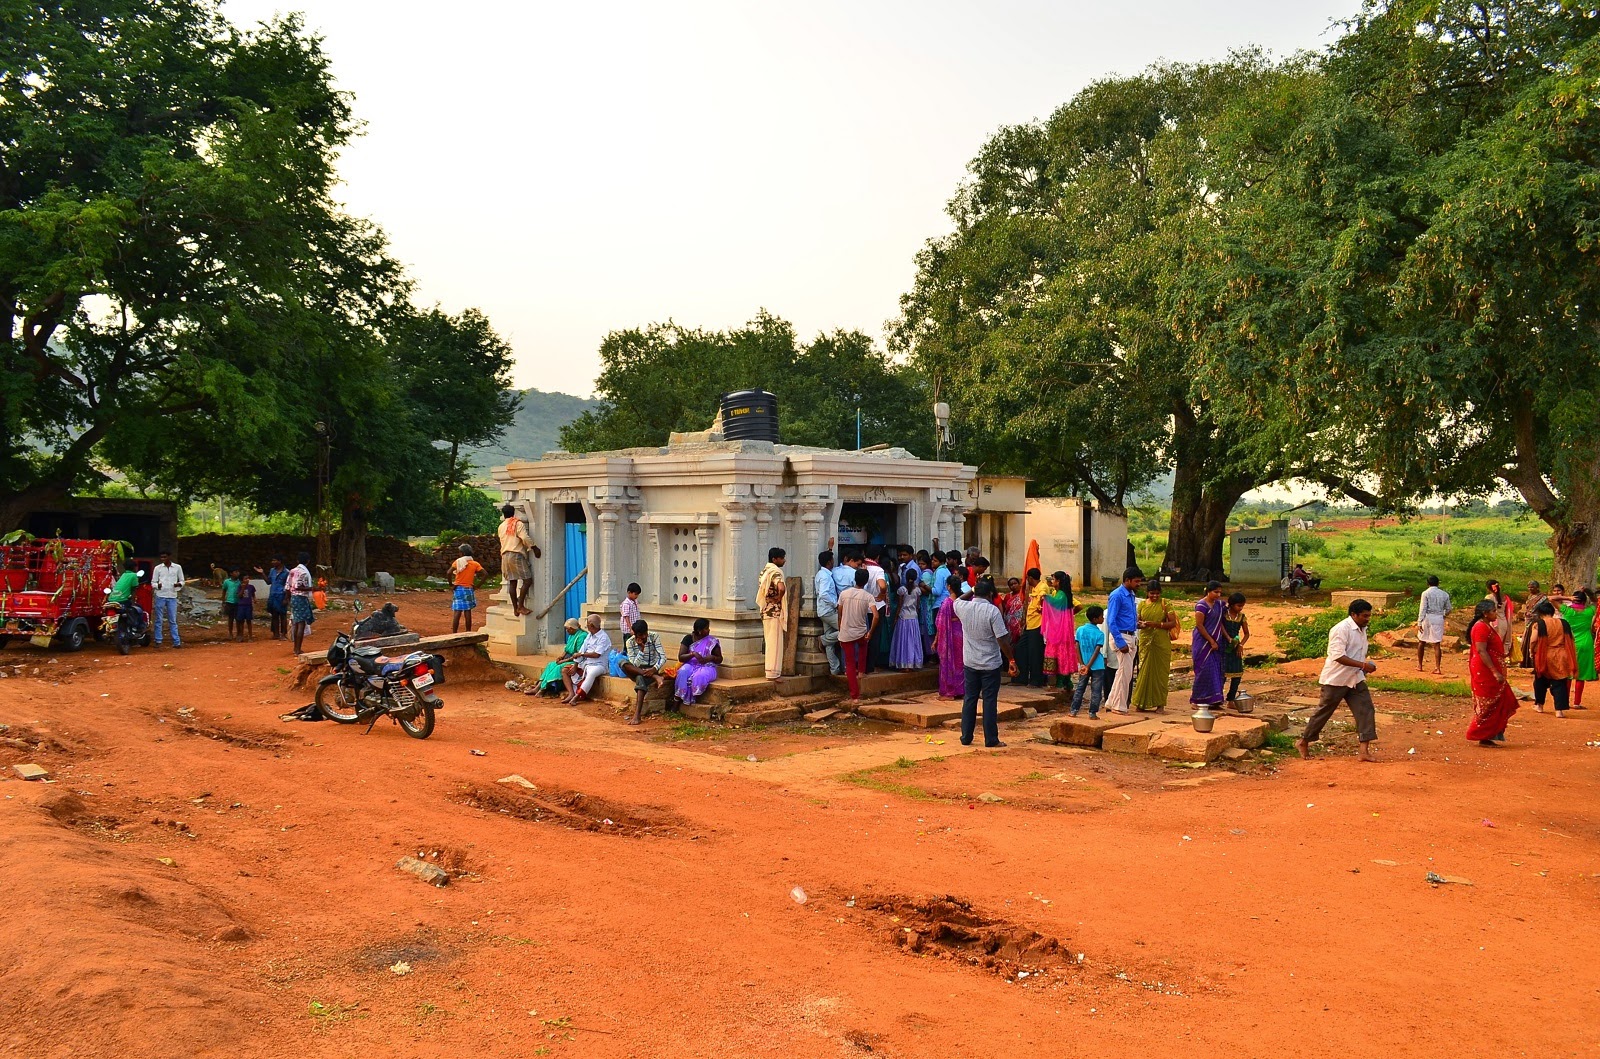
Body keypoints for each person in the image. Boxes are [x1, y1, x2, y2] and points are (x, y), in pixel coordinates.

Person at [1298, 599, 1379, 761]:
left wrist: (1363, 667)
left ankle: (1364, 751)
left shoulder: (1362, 629)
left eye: (1369, 616)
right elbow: (1337, 656)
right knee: (1324, 712)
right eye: (1364, 616)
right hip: (1336, 679)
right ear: (1353, 614)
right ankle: (1304, 741)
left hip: (1355, 678)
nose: (1367, 619)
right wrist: (1363, 665)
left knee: (1366, 709)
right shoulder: (1341, 629)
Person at [953, 579, 1015, 748]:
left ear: (975, 593)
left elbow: (957, 600)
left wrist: (972, 590)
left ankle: (966, 737)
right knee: (989, 701)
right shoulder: (992, 611)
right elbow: (1001, 638)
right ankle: (991, 739)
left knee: (970, 699)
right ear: (990, 594)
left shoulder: (963, 607)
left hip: (970, 662)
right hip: (990, 663)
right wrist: (1011, 659)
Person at [1465, 598, 1519, 745]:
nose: (1496, 614)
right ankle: (1481, 734)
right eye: (1494, 611)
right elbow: (1481, 651)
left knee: (1502, 699)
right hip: (1485, 671)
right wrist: (1494, 672)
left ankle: (1491, 733)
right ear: (1485, 613)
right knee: (1488, 702)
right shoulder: (1481, 628)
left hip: (1489, 669)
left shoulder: (1486, 626)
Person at [1131, 581, 1178, 712]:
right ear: (1147, 593)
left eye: (1157, 593)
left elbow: (1173, 623)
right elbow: (1137, 622)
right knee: (1144, 672)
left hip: (1161, 642)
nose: (1155, 596)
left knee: (1161, 673)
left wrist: (1157, 624)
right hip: (1146, 642)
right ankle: (1141, 703)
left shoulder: (1165, 603)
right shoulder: (1141, 605)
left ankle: (1160, 704)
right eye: (1152, 593)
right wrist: (1141, 624)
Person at [1102, 566, 1143, 714]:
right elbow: (1111, 620)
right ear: (1127, 580)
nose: (1139, 584)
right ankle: (1118, 706)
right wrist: (1120, 642)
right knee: (1125, 674)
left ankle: (1111, 701)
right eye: (1136, 581)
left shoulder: (1130, 594)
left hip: (1130, 635)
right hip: (1121, 636)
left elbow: (1125, 617)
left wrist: (1137, 625)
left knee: (1123, 672)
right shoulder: (1117, 595)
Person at [1527, 599, 1576, 718]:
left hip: (1544, 654)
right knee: (1560, 682)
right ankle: (1559, 710)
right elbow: (1571, 639)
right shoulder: (1563, 623)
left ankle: (1539, 705)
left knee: (1540, 680)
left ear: (1540, 613)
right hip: (1561, 654)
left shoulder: (1539, 624)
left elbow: (1533, 640)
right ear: (1552, 612)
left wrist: (1531, 651)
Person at [836, 567, 878, 700]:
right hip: (861, 632)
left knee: (849, 664)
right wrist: (870, 632)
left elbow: (839, 613)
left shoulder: (844, 594)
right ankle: (861, 672)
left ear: (855, 579)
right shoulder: (868, 596)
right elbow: (876, 616)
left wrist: (840, 628)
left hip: (846, 632)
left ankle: (855, 696)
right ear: (866, 582)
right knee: (863, 649)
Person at [621, 619, 667, 725]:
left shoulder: (654, 636)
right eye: (641, 635)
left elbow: (663, 657)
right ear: (635, 635)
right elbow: (634, 664)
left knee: (640, 679)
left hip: (652, 668)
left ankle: (637, 715)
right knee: (622, 663)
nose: (644, 637)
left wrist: (654, 669)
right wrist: (641, 649)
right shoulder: (630, 642)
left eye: (645, 633)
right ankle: (655, 677)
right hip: (637, 669)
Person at [1190, 581, 1227, 710]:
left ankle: (1214, 699)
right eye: (1216, 592)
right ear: (1208, 591)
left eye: (1220, 592)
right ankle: (1197, 699)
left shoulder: (1219, 605)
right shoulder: (1201, 606)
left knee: (1216, 671)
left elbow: (1221, 621)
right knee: (1203, 671)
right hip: (1203, 643)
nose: (1218, 595)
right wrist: (1211, 641)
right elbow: (1200, 625)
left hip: (1217, 641)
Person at [1557, 588, 1597, 708]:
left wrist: (1567, 597)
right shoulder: (1589, 611)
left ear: (1573, 600)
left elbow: (1550, 599)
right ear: (1584, 602)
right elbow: (1595, 601)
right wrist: (1587, 590)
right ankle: (1577, 703)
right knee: (1581, 675)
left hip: (1569, 643)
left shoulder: (1567, 611)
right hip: (1585, 644)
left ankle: (1565, 701)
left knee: (1569, 674)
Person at [498, 504, 540, 617]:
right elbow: (524, 537)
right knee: (527, 580)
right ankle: (520, 606)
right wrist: (534, 547)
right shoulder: (518, 524)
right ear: (514, 512)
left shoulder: (501, 526)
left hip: (505, 555)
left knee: (513, 582)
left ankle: (515, 608)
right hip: (516, 554)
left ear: (503, 514)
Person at [561, 614, 612, 704]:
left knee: (591, 674)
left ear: (591, 625)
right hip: (585, 663)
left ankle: (577, 696)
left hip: (599, 665)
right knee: (565, 670)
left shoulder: (603, 637)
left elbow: (596, 654)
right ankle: (571, 693)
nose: (586, 626)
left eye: (587, 624)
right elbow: (581, 650)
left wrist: (582, 654)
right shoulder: (589, 636)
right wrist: (575, 665)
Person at [1040, 571, 1077, 693]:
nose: (1052, 581)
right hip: (1064, 627)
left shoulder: (1061, 595)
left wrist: (1045, 597)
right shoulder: (1064, 594)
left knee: (1060, 654)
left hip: (1060, 630)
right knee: (1063, 653)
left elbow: (1054, 604)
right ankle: (1067, 683)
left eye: (1053, 579)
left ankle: (1060, 683)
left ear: (1058, 581)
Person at [675, 618, 723, 706]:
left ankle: (693, 698)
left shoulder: (712, 641)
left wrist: (712, 657)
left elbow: (720, 659)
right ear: (699, 631)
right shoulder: (688, 639)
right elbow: (681, 657)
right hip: (690, 664)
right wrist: (693, 654)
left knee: (699, 676)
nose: (709, 630)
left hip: (707, 666)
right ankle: (677, 700)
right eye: (706, 628)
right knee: (683, 672)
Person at [1070, 604, 1107, 717]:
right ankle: (1092, 713)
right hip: (1097, 666)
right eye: (1101, 616)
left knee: (1080, 688)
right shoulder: (1099, 634)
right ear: (1095, 619)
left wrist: (1082, 664)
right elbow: (1096, 651)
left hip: (1083, 665)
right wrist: (1089, 666)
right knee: (1096, 690)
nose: (1103, 618)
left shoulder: (1080, 630)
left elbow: (1077, 647)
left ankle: (1074, 710)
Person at [533, 618, 586, 694]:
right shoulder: (571, 635)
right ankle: (538, 687)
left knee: (558, 668)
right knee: (551, 665)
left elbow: (578, 655)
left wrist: (564, 661)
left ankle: (543, 689)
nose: (566, 631)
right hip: (567, 658)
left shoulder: (582, 636)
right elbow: (566, 649)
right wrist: (561, 657)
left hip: (576, 661)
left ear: (571, 629)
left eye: (567, 629)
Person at [757, 547, 787, 680]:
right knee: (775, 643)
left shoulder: (764, 571)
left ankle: (770, 671)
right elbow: (781, 587)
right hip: (774, 612)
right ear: (775, 559)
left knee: (770, 642)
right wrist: (779, 598)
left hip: (766, 611)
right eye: (782, 558)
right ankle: (773, 674)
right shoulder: (775, 572)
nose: (784, 560)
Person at [933, 583, 966, 698]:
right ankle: (961, 690)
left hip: (949, 633)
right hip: (961, 632)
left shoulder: (947, 602)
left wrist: (936, 639)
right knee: (960, 661)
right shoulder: (963, 601)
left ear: (949, 586)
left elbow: (940, 623)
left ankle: (949, 690)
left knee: (949, 660)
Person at [1015, 568, 1046, 687]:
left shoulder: (1042, 587)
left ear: (1030, 578)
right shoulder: (1034, 588)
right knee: (1020, 648)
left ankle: (1036, 680)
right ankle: (1020, 678)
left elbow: (1043, 600)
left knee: (1035, 653)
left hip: (1038, 624)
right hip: (1030, 624)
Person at [814, 550, 842, 676]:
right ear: (829, 562)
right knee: (846, 630)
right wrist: (835, 604)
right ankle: (823, 639)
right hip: (828, 610)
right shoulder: (825, 576)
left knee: (830, 639)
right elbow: (824, 593)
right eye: (832, 560)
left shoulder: (822, 574)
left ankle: (834, 668)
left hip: (824, 610)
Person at [1417, 575, 1452, 674]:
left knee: (1421, 641)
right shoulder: (1444, 594)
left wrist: (1419, 621)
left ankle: (1420, 665)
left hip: (1427, 618)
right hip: (1438, 618)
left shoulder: (1425, 593)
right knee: (1436, 644)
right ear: (1438, 583)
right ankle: (1437, 667)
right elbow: (1449, 608)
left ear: (1427, 583)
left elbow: (1423, 608)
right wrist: (1443, 614)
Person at [150, 550, 184, 649]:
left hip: (172, 596)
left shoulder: (177, 567)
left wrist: (179, 584)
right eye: (162, 557)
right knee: (158, 619)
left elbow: (182, 581)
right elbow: (153, 582)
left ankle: (176, 641)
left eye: (165, 557)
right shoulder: (158, 568)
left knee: (172, 620)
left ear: (169, 557)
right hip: (160, 595)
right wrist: (157, 586)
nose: (163, 559)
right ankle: (158, 640)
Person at [890, 575, 924, 670]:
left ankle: (903, 663)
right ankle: (912, 663)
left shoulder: (902, 590)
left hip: (903, 618)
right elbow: (917, 606)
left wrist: (896, 618)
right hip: (913, 618)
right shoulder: (917, 590)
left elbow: (899, 605)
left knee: (903, 641)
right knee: (912, 642)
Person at [1222, 592, 1250, 705]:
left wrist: (1241, 645)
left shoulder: (1241, 617)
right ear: (1232, 604)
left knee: (1237, 674)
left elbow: (1247, 633)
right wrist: (1228, 638)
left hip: (1236, 647)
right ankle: (1218, 698)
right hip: (1224, 645)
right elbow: (1221, 627)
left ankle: (1231, 699)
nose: (1240, 608)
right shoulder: (1224, 614)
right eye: (1239, 606)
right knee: (1222, 675)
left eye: (1242, 606)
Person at [449, 544, 485, 633]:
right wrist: (478, 586)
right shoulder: (475, 563)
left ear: (462, 553)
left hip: (458, 589)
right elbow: (485, 574)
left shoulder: (458, 562)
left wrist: (451, 585)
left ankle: (454, 633)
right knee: (467, 611)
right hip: (469, 589)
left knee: (457, 611)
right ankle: (468, 632)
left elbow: (448, 572)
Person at [287, 552, 315, 654]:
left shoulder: (292, 571)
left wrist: (287, 598)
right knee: (301, 624)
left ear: (297, 560)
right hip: (301, 598)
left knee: (296, 622)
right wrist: (313, 588)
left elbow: (288, 586)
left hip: (294, 598)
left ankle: (296, 648)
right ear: (308, 561)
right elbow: (299, 587)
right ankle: (297, 649)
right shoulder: (304, 572)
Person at [107, 560, 145, 635]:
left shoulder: (123, 575)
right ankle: (137, 628)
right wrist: (133, 602)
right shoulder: (134, 575)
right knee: (138, 609)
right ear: (134, 567)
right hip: (122, 600)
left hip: (111, 599)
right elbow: (134, 590)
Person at [258, 558, 289, 640]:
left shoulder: (287, 572)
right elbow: (268, 582)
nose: (273, 562)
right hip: (273, 595)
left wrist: (286, 598)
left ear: (280, 561)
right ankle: (276, 634)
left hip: (282, 595)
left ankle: (283, 634)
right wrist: (262, 573)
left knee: (283, 615)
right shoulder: (272, 570)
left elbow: (288, 586)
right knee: (274, 615)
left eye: (275, 560)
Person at [1485, 580, 1515, 664]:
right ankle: (1501, 658)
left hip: (1494, 622)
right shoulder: (1505, 597)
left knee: (1493, 642)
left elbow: (1486, 610)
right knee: (1501, 641)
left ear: (1488, 588)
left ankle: (1494, 659)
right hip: (1504, 622)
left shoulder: (1489, 597)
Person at [1519, 580, 1547, 668]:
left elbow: (1545, 610)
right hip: (1528, 621)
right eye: (1529, 587)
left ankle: (1535, 662)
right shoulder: (1530, 596)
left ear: (1537, 588)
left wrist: (1536, 616)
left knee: (1534, 640)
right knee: (1527, 639)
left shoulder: (1543, 598)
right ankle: (1526, 662)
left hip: (1537, 621)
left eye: (1532, 587)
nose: (1530, 589)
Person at [1001, 576, 1026, 645]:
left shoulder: (1024, 595)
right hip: (1010, 624)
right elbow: (1005, 609)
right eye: (1011, 585)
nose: (1013, 586)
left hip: (1021, 623)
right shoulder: (1008, 596)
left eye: (1015, 583)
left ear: (1019, 584)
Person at [221, 568, 241, 640]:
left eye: (238, 572)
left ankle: (238, 633)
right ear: (231, 573)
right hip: (229, 602)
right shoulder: (227, 582)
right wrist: (223, 601)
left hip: (238, 602)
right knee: (230, 619)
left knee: (238, 619)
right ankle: (230, 633)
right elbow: (224, 591)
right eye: (235, 572)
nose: (237, 573)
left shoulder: (240, 582)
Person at [236, 576, 255, 641]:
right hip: (241, 606)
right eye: (245, 579)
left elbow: (253, 594)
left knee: (249, 621)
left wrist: (254, 599)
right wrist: (243, 588)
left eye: (248, 578)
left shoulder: (251, 587)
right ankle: (241, 636)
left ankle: (250, 636)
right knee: (241, 621)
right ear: (242, 580)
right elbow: (239, 596)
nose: (247, 580)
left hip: (248, 605)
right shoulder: (239, 587)